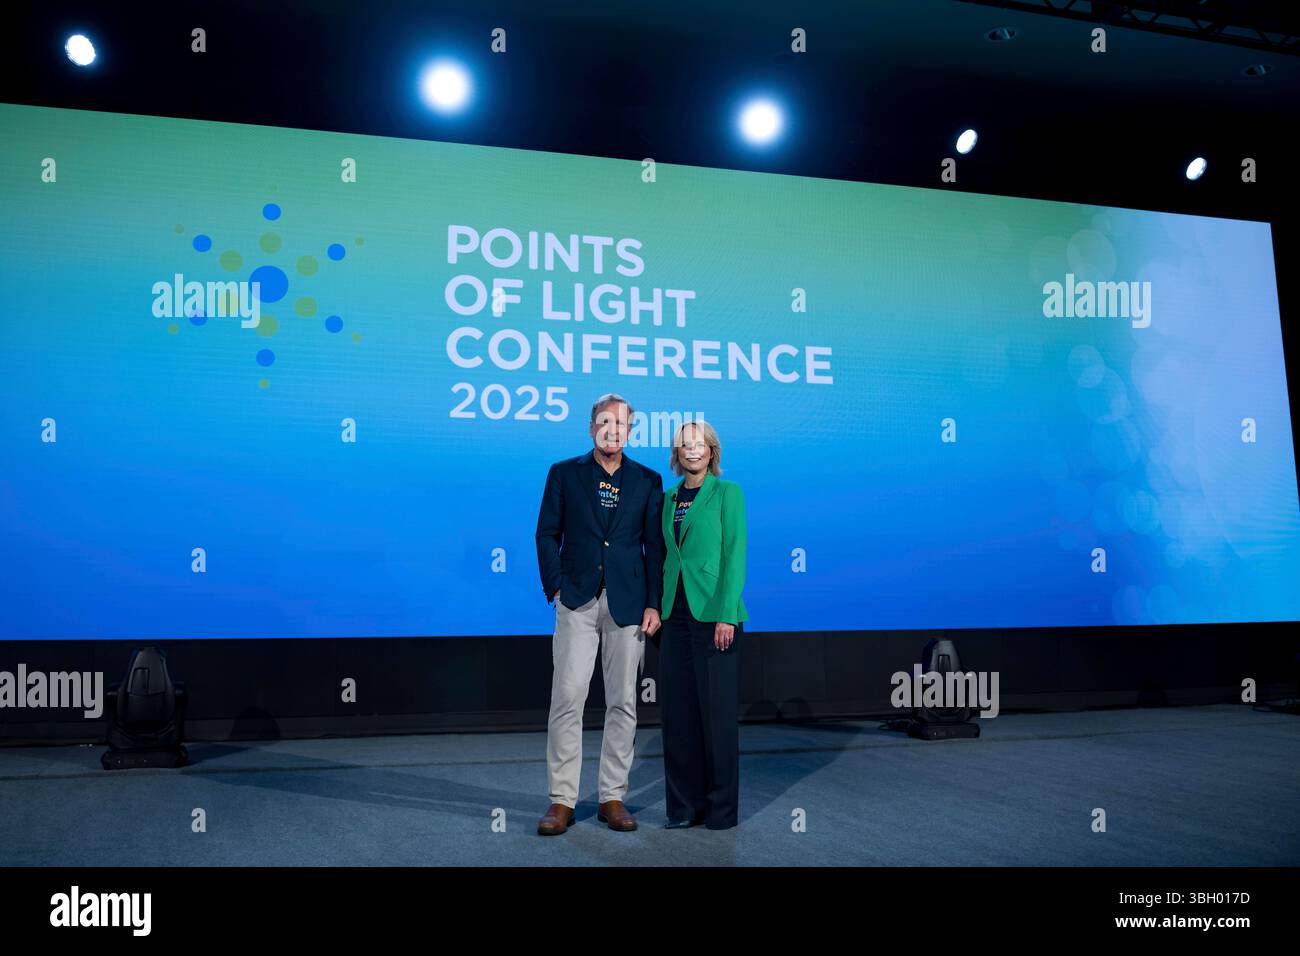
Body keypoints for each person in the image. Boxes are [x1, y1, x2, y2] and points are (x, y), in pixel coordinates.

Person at [534, 393, 665, 835]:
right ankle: (561, 801)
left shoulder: (648, 481)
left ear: (631, 430)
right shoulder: (564, 473)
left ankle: (612, 796)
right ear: (591, 428)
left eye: (621, 423)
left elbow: (654, 549)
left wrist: (653, 602)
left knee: (624, 702)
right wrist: (556, 585)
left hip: (628, 605)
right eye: (603, 422)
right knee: (567, 698)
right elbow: (547, 533)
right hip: (576, 600)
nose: (612, 430)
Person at [658, 419, 747, 830]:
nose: (692, 451)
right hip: (673, 617)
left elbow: (735, 555)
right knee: (678, 718)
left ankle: (721, 811)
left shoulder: (728, 493)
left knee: (717, 717)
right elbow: (665, 556)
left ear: (711, 451)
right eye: (684, 445)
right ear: (676, 454)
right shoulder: (668, 497)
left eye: (699, 445)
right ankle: (682, 808)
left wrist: (727, 612)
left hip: (715, 615)